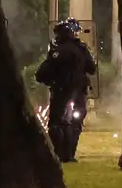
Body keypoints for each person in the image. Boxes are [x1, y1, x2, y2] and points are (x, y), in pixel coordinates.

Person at [36, 18, 95, 162]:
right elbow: (92, 68)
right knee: (75, 123)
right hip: (79, 92)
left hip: (61, 91)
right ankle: (70, 154)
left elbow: (42, 73)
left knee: (57, 122)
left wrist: (48, 80)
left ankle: (60, 154)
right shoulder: (81, 49)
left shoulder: (57, 51)